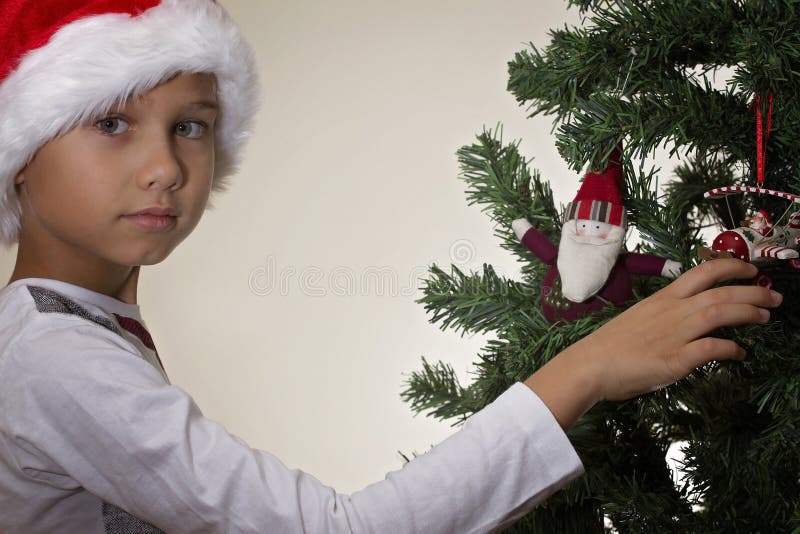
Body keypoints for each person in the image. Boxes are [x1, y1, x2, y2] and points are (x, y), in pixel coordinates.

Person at [0, 1, 782, 533]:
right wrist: (588, 368)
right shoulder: (57, 358)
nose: (164, 167)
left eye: (192, 126)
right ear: (19, 151)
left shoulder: (79, 323)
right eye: (111, 122)